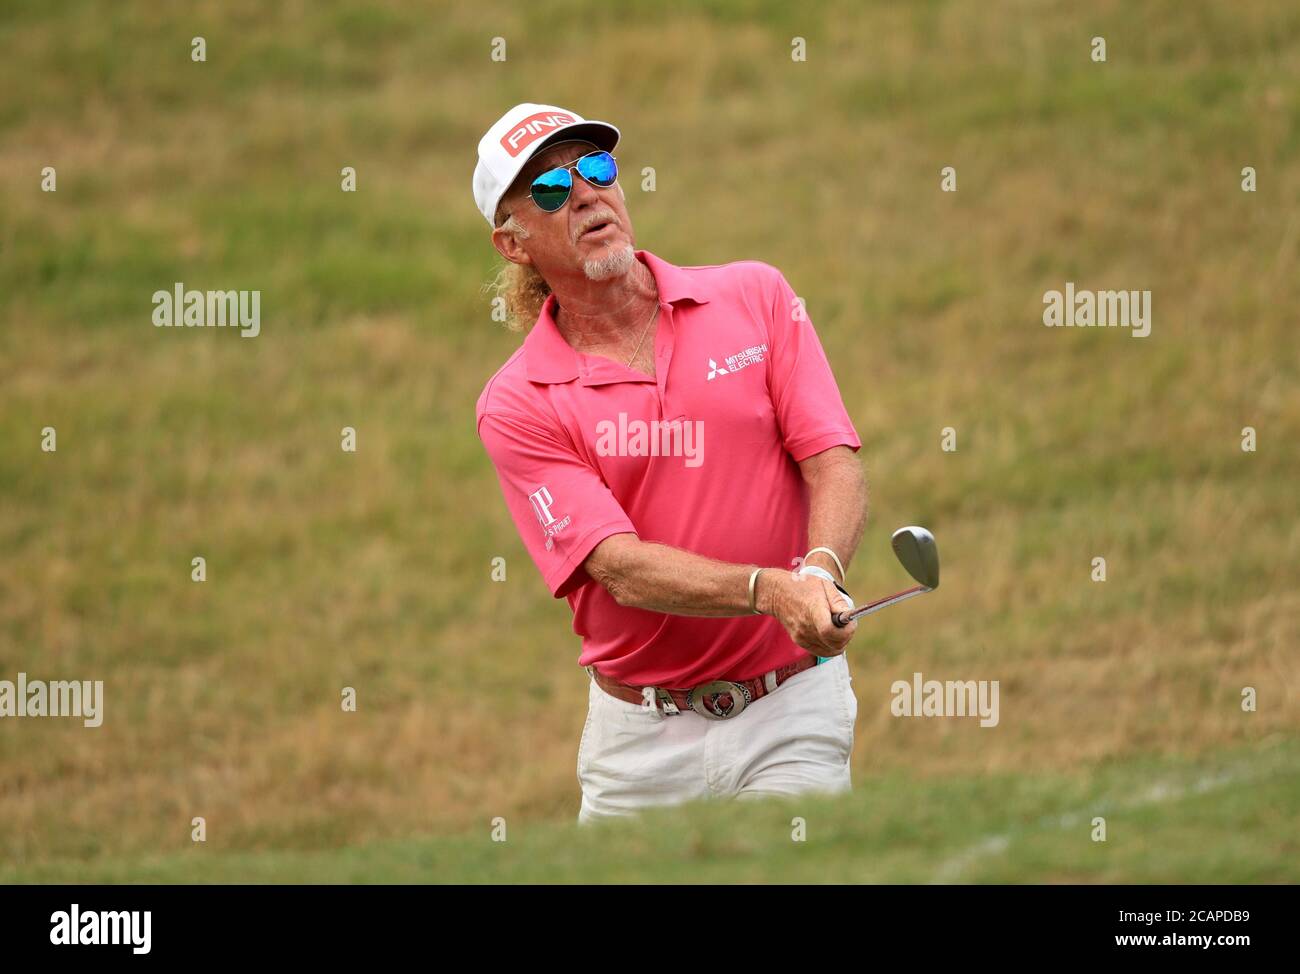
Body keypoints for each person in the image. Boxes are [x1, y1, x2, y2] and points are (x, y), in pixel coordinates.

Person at [472, 103, 868, 824]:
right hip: (638, 747)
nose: (587, 194)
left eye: (596, 169)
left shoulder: (756, 296)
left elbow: (832, 461)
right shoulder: (517, 402)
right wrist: (769, 591)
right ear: (514, 243)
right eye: (552, 191)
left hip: (789, 709)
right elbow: (617, 566)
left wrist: (818, 574)